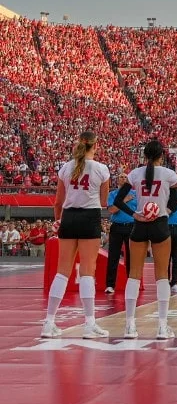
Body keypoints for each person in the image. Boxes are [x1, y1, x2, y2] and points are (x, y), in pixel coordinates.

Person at [42, 131, 111, 339]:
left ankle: (49, 322)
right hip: (89, 216)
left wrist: (58, 220)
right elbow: (104, 201)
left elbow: (58, 202)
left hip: (69, 216)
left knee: (62, 272)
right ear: (95, 146)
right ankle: (89, 324)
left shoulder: (66, 167)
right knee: (88, 271)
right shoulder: (101, 169)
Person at [113, 140, 177, 339]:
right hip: (160, 224)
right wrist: (162, 212)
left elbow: (118, 200)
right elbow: (174, 204)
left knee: (134, 275)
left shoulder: (135, 174)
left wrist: (135, 214)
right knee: (162, 275)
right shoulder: (169, 175)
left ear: (145, 155)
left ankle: (130, 325)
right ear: (161, 156)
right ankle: (162, 326)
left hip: (140, 224)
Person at [104, 172, 134, 295]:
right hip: (117, 226)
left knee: (132, 257)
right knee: (113, 256)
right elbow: (112, 210)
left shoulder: (135, 194)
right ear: (117, 180)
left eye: (125, 177)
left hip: (132, 226)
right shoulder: (113, 194)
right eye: (121, 177)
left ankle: (132, 284)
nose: (123, 178)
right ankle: (110, 285)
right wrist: (123, 200)